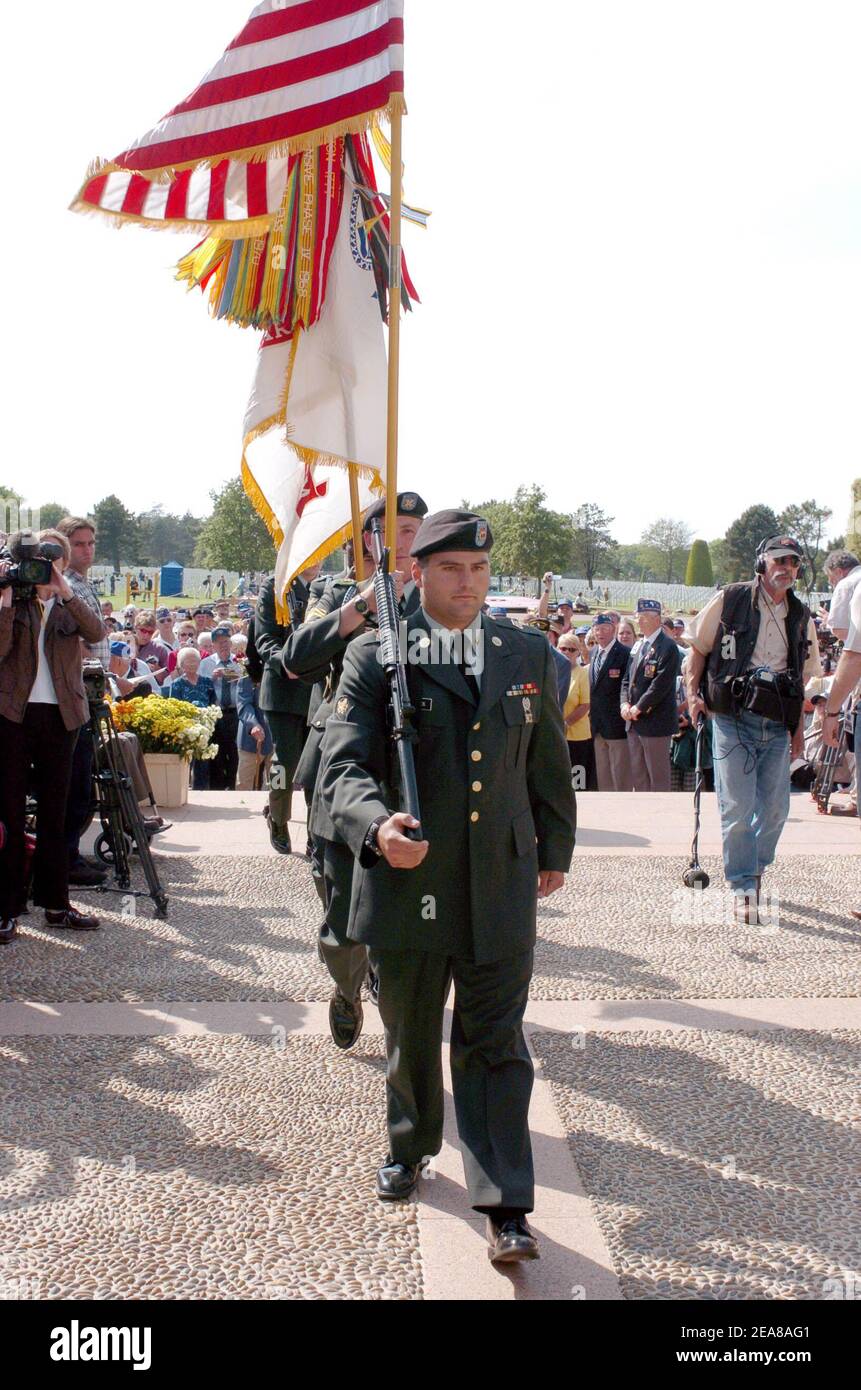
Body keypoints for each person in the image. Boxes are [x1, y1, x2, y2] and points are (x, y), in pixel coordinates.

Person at [317, 509, 576, 1264]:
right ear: (418, 573)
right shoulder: (377, 654)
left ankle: (505, 1205)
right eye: (452, 569)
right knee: (409, 1030)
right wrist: (374, 827)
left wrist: (553, 846)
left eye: (479, 570)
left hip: (499, 875)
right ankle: (410, 1144)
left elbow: (546, 759)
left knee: (495, 1042)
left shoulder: (526, 651)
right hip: (409, 876)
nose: (468, 583)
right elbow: (343, 765)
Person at [288, 492, 427, 1038]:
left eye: (414, 530)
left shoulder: (439, 598)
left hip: (411, 762)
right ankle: (347, 983)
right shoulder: (335, 593)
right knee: (340, 904)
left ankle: (392, 982)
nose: (406, 541)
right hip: (343, 761)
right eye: (395, 530)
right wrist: (363, 606)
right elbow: (295, 659)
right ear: (370, 542)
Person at [685, 535, 822, 920]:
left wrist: (798, 729)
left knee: (776, 809)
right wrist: (692, 694)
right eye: (780, 560)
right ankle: (744, 884)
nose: (787, 568)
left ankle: (755, 865)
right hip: (732, 718)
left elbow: (805, 676)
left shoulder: (801, 615)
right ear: (762, 563)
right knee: (737, 807)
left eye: (793, 562)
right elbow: (697, 647)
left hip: (777, 721)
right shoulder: (730, 599)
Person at [0, 531, 104, 942]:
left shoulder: (67, 602)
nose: (42, 571)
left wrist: (64, 592)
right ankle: (7, 908)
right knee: (9, 814)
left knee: (55, 815)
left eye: (51, 563)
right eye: (36, 563)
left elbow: (96, 632)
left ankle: (56, 904)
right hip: (12, 713)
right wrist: (6, 600)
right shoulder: (14, 599)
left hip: (61, 716)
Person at [56, 516, 112, 889]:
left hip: (90, 692)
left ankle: (70, 854)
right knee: (74, 782)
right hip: (74, 695)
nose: (87, 550)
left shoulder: (83, 584)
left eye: (90, 543)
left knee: (82, 780)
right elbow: (74, 642)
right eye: (78, 544)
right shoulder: (66, 586)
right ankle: (65, 859)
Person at [254, 566, 321, 854]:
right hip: (284, 689)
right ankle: (278, 817)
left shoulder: (327, 586)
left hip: (316, 690)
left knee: (316, 765)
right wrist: (285, 662)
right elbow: (265, 637)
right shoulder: (276, 586)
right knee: (285, 762)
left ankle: (315, 831)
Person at [621, 599, 681, 792]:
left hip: (655, 722)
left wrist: (639, 707)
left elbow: (661, 684)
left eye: (644, 617)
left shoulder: (668, 646)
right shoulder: (639, 645)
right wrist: (624, 703)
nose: (639, 621)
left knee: (658, 778)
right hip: (634, 721)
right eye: (638, 616)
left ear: (657, 619)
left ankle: (660, 811)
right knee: (639, 776)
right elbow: (627, 679)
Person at [589, 613, 632, 791]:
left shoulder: (624, 654)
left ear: (613, 630)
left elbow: (627, 687)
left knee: (620, 777)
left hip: (617, 724)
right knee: (603, 777)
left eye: (605, 629)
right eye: (597, 629)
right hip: (597, 725)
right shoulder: (594, 652)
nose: (600, 633)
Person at [199, 626, 241, 790]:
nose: (223, 645)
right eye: (219, 643)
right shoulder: (206, 663)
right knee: (217, 752)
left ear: (230, 643)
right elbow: (200, 686)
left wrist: (229, 674)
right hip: (215, 714)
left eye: (226, 642)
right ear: (213, 645)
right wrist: (212, 678)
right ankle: (217, 787)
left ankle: (232, 785)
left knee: (234, 751)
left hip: (235, 713)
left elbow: (246, 679)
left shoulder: (239, 660)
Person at [557, 633, 596, 788]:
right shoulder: (551, 672)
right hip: (556, 735)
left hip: (577, 736)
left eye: (571, 649)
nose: (567, 652)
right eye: (563, 648)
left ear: (578, 652)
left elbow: (585, 705)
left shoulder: (583, 673)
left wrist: (565, 723)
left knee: (577, 782)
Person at [236, 674, 274, 791]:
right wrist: (253, 724)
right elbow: (244, 704)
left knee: (279, 784)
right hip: (251, 741)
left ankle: (277, 803)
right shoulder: (248, 674)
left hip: (279, 740)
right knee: (244, 785)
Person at [822, 550, 861, 643]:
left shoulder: (846, 584)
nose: (833, 586)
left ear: (839, 572)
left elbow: (839, 629)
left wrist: (828, 621)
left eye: (832, 580)